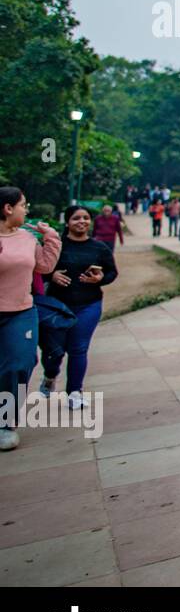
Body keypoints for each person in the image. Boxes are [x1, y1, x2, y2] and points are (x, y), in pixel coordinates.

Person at [0, 187, 62, 451]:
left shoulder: (27, 237)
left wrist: (51, 237)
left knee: (21, 363)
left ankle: (5, 422)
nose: (27, 209)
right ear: (8, 208)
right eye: (23, 205)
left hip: (22, 311)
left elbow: (45, 267)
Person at [38, 206, 117, 411]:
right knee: (54, 351)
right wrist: (51, 276)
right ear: (67, 222)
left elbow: (111, 273)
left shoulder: (99, 248)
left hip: (88, 304)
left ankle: (74, 392)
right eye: (76, 218)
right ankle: (50, 375)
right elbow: (38, 269)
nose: (81, 221)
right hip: (56, 306)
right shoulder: (56, 246)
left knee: (78, 348)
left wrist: (100, 278)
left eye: (85, 218)